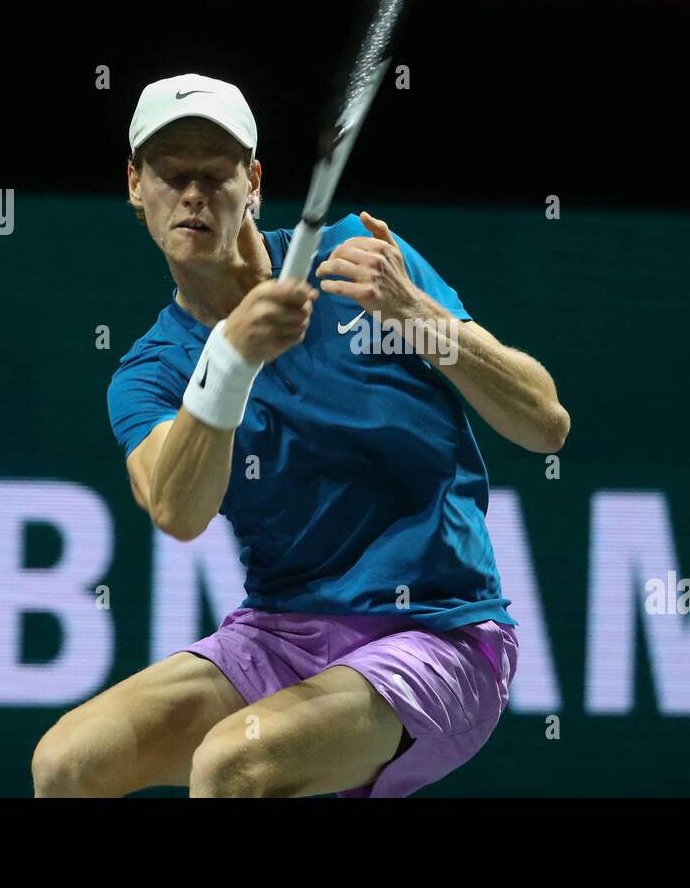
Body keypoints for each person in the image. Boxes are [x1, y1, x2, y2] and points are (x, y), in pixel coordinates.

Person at [31, 73, 569, 798]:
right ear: (136, 186)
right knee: (67, 765)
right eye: (170, 172)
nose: (193, 193)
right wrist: (231, 358)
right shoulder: (151, 372)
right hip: (282, 636)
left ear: (252, 181)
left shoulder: (360, 260)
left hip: (444, 636)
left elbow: (544, 422)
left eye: (216, 171)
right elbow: (178, 511)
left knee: (233, 763)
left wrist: (418, 316)